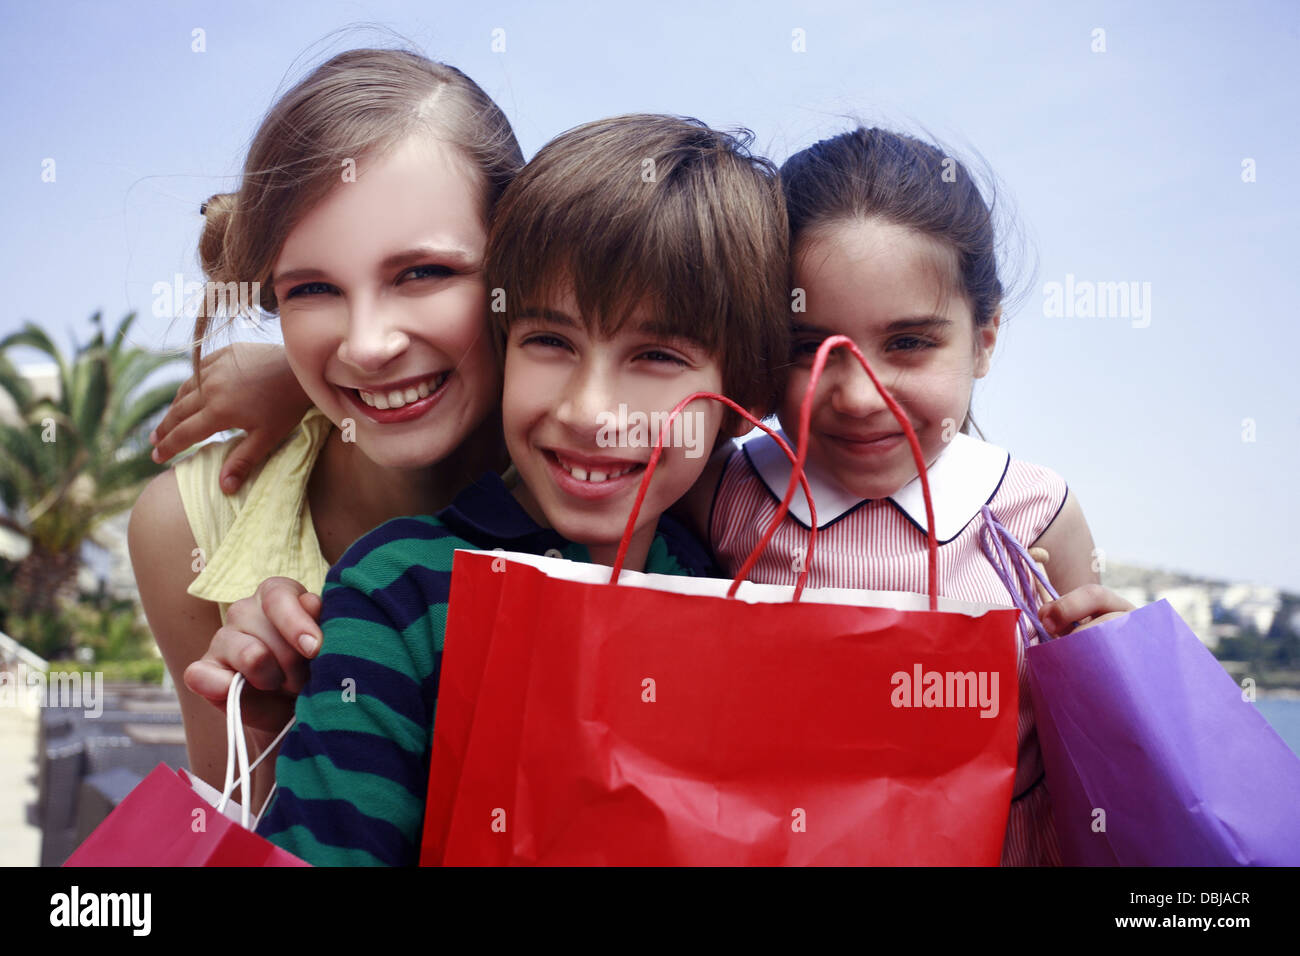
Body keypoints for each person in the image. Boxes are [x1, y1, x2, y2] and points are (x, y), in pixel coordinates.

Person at [252, 113, 791, 865]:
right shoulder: (400, 596)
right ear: (502, 347)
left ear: (749, 390)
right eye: (550, 342)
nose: (588, 411)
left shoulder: (724, 581)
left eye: (659, 356)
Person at [689, 126, 1136, 865]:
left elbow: (1078, 735)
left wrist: (1113, 655)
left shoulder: (1036, 510)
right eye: (810, 347)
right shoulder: (725, 492)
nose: (861, 397)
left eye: (908, 344)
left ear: (985, 339)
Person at [127, 48, 525, 812]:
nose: (368, 344)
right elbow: (235, 834)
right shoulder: (186, 525)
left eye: (423, 274)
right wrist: (276, 726)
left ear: (521, 260)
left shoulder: (617, 471)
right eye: (313, 289)